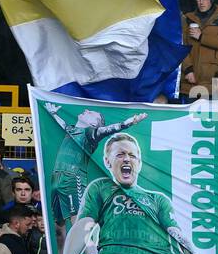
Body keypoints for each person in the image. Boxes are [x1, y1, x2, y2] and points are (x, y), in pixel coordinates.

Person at [61, 131, 218, 254]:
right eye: (120, 154)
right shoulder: (100, 188)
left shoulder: (158, 199)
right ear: (107, 161)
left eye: (132, 155)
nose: (127, 159)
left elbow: (177, 235)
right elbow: (85, 225)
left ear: (139, 164)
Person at [40, 102, 148, 240]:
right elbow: (63, 125)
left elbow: (109, 129)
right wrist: (53, 113)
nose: (86, 109)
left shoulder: (90, 133)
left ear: (93, 124)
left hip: (73, 177)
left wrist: (128, 122)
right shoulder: (72, 130)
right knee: (58, 227)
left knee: (77, 221)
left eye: (91, 113)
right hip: (57, 177)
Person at [181, 0, 218, 92]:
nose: (201, 2)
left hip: (214, 80)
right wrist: (188, 70)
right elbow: (181, 46)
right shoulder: (187, 18)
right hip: (192, 79)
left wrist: (202, 37)